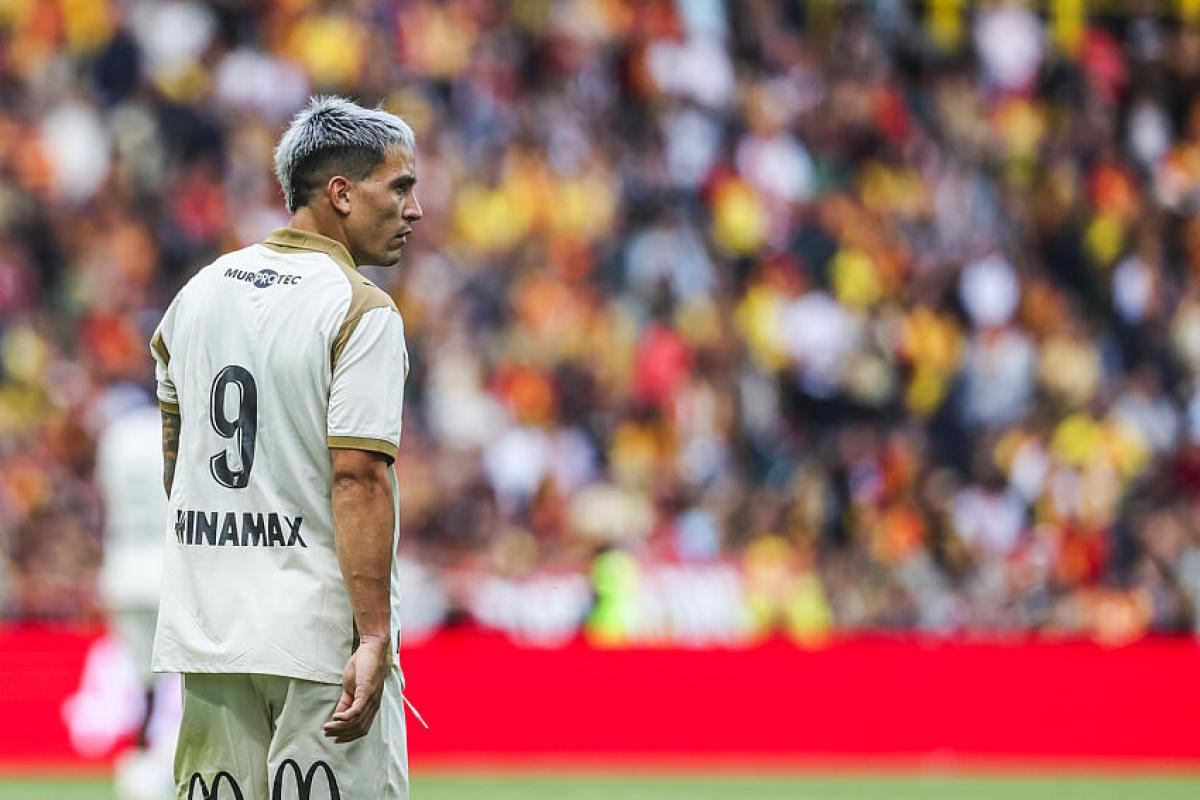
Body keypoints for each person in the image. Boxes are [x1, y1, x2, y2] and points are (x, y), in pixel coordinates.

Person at [149, 95, 421, 800]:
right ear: (342, 194)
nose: (414, 210)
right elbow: (357, 477)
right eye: (400, 187)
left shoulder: (198, 293)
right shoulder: (361, 310)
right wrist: (372, 636)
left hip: (211, 631)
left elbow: (177, 463)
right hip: (316, 638)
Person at [96, 396, 179, 800]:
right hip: (169, 563)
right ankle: (166, 759)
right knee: (185, 674)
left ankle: (142, 757)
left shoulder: (116, 437)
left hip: (122, 567)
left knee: (142, 679)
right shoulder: (173, 429)